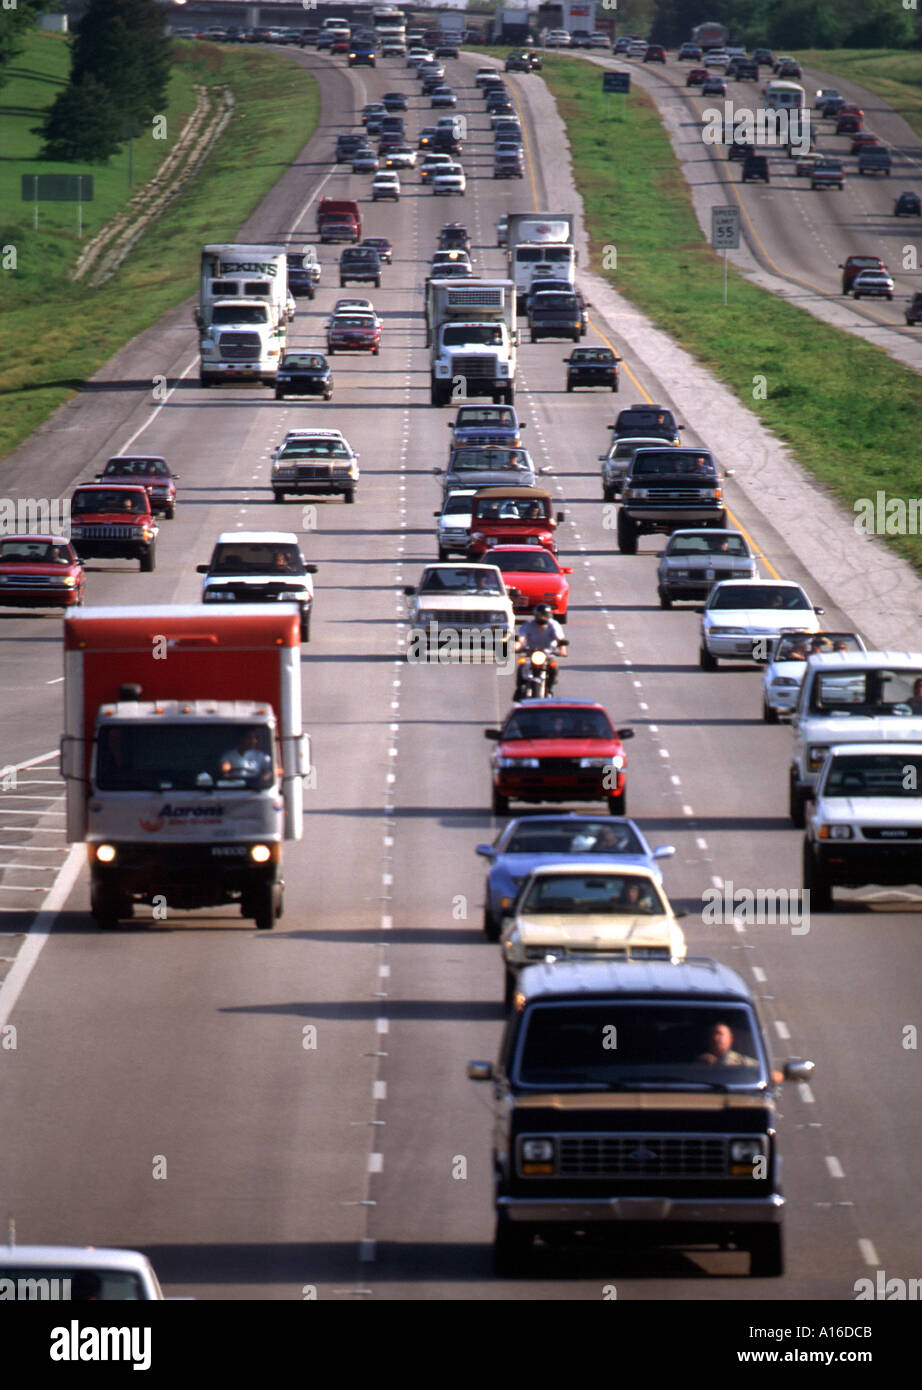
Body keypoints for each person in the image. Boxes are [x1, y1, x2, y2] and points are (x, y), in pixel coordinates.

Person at [514, 604, 567, 697]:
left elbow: (559, 638)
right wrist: (517, 646)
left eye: (545, 615)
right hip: (531, 652)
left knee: (553, 667)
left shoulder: (553, 625)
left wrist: (562, 649)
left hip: (548, 653)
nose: (542, 617)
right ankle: (519, 689)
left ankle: (549, 688)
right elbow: (521, 638)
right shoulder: (528, 625)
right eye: (540, 615)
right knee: (522, 666)